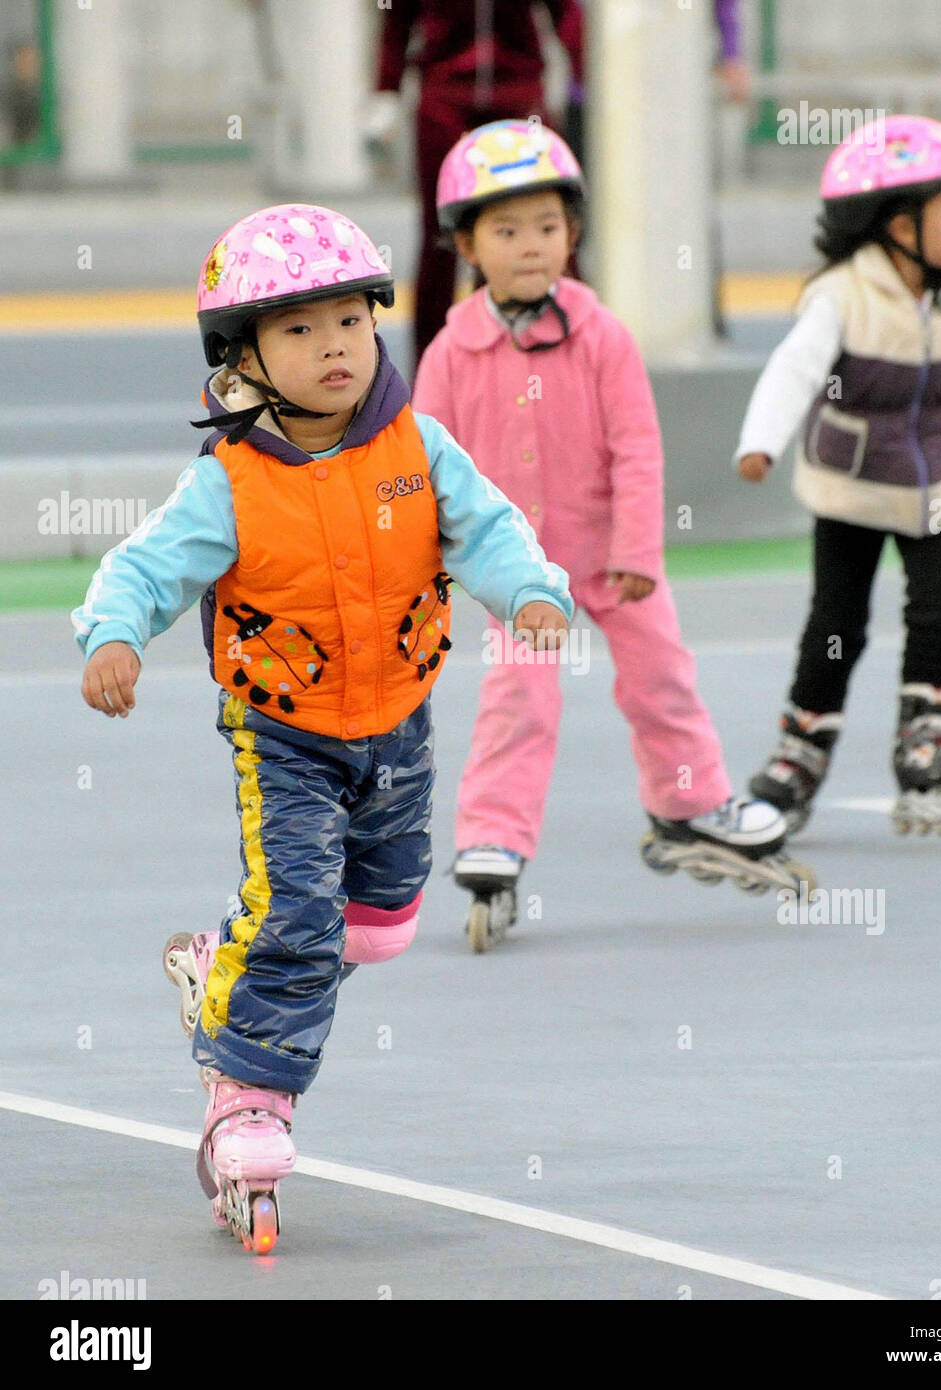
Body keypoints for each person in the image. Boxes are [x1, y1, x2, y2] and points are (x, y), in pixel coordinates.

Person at [72, 203, 573, 1252]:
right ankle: (247, 1102)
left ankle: (226, 968)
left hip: (397, 719)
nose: (333, 346)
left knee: (379, 924)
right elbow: (147, 567)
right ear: (243, 353)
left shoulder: (414, 446)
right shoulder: (231, 482)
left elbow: (487, 525)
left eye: (348, 320)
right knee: (300, 913)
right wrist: (114, 635)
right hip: (284, 734)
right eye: (299, 330)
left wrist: (527, 590)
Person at [412, 119, 812, 952]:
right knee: (517, 702)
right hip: (517, 575)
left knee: (661, 675)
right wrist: (432, 561)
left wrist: (638, 548)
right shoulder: (452, 349)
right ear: (465, 243)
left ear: (574, 234)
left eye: (548, 228)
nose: (531, 247)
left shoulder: (602, 336)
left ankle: (690, 803)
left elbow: (637, 448)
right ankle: (494, 842)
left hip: (613, 557)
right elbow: (429, 465)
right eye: (507, 230)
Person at [735, 115, 941, 836]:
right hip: (851, 491)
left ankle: (928, 728)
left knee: (940, 610)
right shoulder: (841, 296)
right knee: (836, 621)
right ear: (899, 226)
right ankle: (802, 744)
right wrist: (760, 443)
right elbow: (791, 373)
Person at [372, 0, 584, 369]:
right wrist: (386, 89)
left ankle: (558, 352)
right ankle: (434, 367)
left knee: (534, 224)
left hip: (518, 93)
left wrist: (588, 73)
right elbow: (397, 21)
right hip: (443, 97)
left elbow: (565, 12)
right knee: (441, 237)